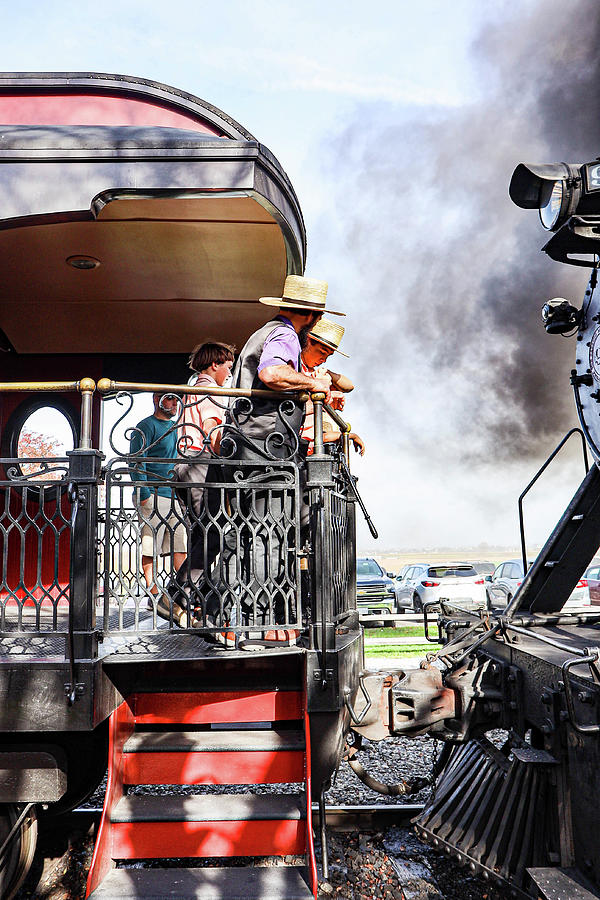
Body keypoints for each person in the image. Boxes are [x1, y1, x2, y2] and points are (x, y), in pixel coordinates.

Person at [220, 274, 344, 648]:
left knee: (249, 533)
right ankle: (258, 625)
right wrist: (313, 385)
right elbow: (272, 373)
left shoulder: (267, 330)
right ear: (311, 313)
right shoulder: (285, 335)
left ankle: (237, 621)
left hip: (249, 445)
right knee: (267, 533)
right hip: (264, 448)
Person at [167, 342, 236, 628]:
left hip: (185, 466)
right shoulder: (210, 389)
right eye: (228, 366)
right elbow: (211, 428)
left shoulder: (192, 388)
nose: (229, 372)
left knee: (201, 536)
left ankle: (194, 604)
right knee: (213, 536)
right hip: (201, 465)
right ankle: (176, 597)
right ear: (215, 364)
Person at [130, 393, 187, 610]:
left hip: (174, 496)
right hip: (152, 494)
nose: (175, 404)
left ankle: (183, 592)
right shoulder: (146, 426)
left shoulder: (176, 428)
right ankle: (153, 593)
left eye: (177, 399)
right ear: (157, 399)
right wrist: (143, 493)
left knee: (179, 545)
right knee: (150, 546)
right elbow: (137, 460)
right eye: (170, 399)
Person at [300, 318, 366, 456]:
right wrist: (350, 435)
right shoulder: (296, 369)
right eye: (322, 352)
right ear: (307, 342)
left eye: (328, 356)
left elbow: (349, 386)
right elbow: (311, 434)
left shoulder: (314, 372)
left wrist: (329, 373)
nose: (323, 359)